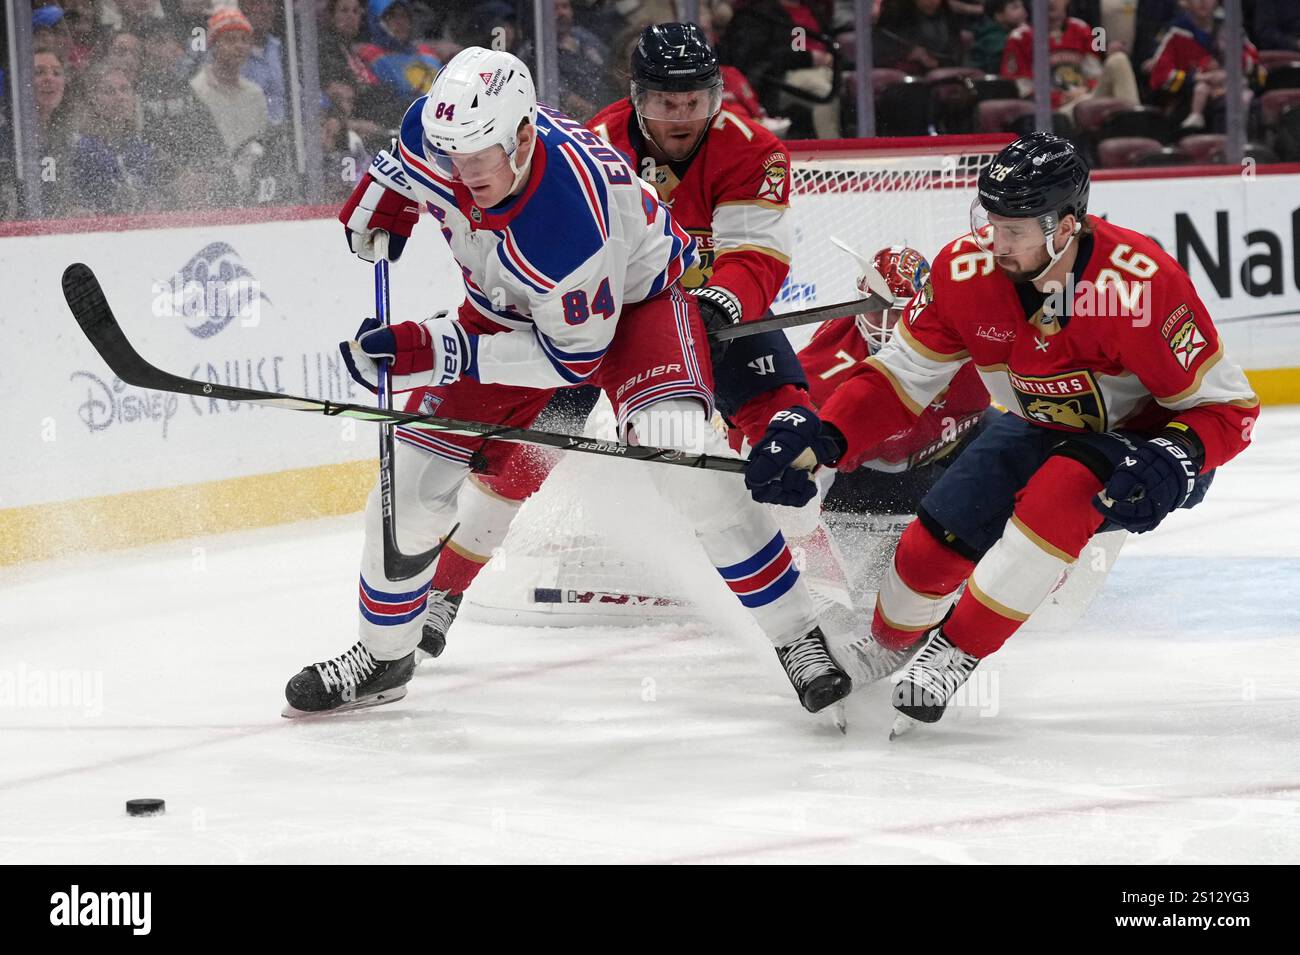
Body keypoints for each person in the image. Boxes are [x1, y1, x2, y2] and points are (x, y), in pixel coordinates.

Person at [283, 47, 849, 718]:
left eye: (480, 160)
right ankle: (382, 657)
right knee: (406, 482)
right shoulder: (436, 136)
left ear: (523, 138)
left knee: (690, 462)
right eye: (453, 159)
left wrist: (428, 347)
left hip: (635, 311)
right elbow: (401, 169)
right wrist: (380, 206)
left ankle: (798, 637)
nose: (464, 178)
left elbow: (569, 364)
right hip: (506, 313)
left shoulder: (567, 220)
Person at [743, 131, 1258, 731]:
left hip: (1145, 449)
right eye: (991, 221)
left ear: (1065, 227)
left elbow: (1229, 408)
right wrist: (827, 436)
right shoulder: (962, 272)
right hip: (1035, 425)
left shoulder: (1140, 284)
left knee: (1063, 488)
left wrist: (1181, 454)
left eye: (1014, 229)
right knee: (933, 538)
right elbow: (901, 377)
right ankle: (887, 646)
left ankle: (956, 651)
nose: (995, 242)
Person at [410, 22, 821, 664]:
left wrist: (721, 300)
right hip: (606, 320)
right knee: (524, 458)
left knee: (785, 425)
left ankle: (812, 593)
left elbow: (758, 255)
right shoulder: (594, 142)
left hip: (714, 315)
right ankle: (443, 595)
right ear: (637, 97)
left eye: (694, 101)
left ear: (715, 96)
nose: (681, 116)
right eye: (664, 101)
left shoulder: (754, 149)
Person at [1001, 0, 1140, 117]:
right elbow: (1023, 89)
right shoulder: (1019, 38)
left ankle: (1135, 121)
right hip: (1054, 112)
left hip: (1087, 98)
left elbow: (1095, 75)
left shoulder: (1081, 28)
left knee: (1118, 60)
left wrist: (1085, 90)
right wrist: (1061, 97)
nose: (1050, 1)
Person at [1150, 0, 1264, 131]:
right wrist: (1197, 79)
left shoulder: (1231, 28)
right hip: (1187, 102)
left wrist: (1229, 74)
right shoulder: (1175, 31)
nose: (1203, 2)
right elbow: (1160, 76)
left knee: (1250, 105)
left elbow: (1258, 70)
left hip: (1230, 94)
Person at [969, 0, 1027, 76]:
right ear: (998, 15)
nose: (1023, 11)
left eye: (1022, 6)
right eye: (1015, 7)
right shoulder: (992, 37)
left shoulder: (1012, 32)